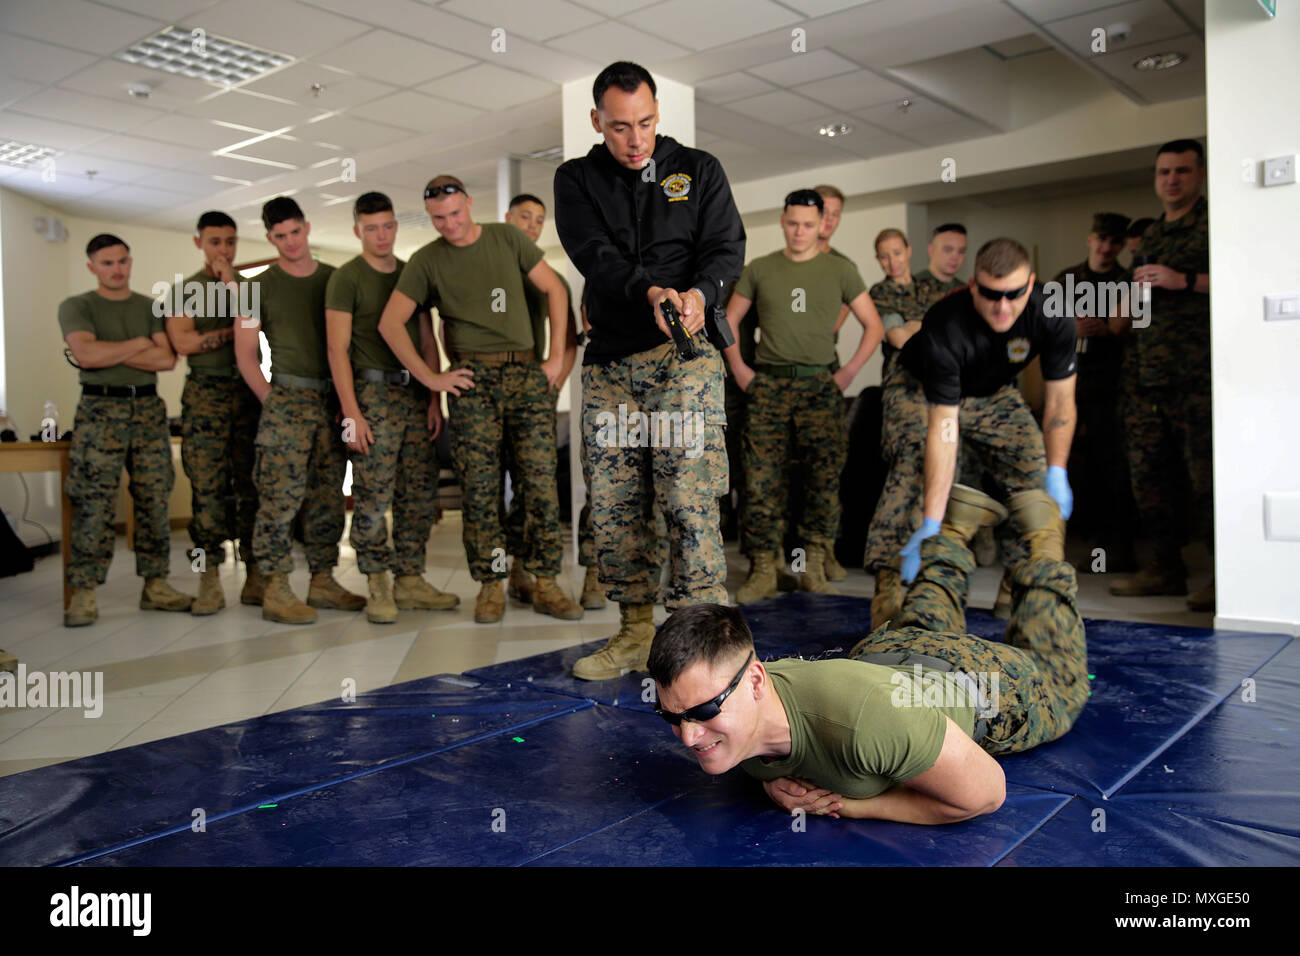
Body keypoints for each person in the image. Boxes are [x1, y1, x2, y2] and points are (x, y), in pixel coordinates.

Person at [648, 481, 1086, 823]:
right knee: (924, 616)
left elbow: (987, 794)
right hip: (889, 653)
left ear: (757, 681)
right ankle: (954, 531)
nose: (688, 736)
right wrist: (771, 784)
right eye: (673, 717)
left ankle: (1044, 539)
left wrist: (847, 805)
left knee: (1059, 676)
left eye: (705, 712)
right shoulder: (739, 701)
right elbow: (764, 740)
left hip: (973, 681)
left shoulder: (865, 724)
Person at [553, 60, 745, 680]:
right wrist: (649, 290)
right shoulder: (576, 179)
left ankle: (705, 646)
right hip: (610, 364)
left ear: (659, 114)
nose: (635, 140)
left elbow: (725, 247)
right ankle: (637, 631)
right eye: (619, 128)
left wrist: (700, 293)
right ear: (596, 122)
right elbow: (594, 255)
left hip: (684, 358)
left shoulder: (699, 169)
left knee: (689, 498)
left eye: (646, 123)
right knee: (613, 503)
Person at [376, 174, 582, 625]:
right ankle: (491, 584)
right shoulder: (426, 261)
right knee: (481, 490)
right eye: (437, 218)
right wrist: (432, 377)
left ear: (470, 203)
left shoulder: (507, 238)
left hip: (525, 373)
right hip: (472, 381)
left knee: (540, 483)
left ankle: (543, 579)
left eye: (454, 213)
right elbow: (391, 324)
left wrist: (552, 359)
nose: (448, 224)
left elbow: (554, 289)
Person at [723, 188, 883, 602]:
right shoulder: (760, 269)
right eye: (792, 223)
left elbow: (874, 326)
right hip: (769, 386)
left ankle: (812, 564)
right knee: (760, 480)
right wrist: (741, 370)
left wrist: (848, 372)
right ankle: (764, 567)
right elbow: (727, 321)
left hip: (819, 386)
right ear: (782, 221)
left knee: (822, 480)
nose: (799, 231)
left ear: (822, 224)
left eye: (808, 225)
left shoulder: (840, 270)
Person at [896, 238, 1077, 600]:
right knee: (911, 473)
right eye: (992, 295)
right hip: (921, 388)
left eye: (1014, 294)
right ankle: (913, 593)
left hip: (993, 391)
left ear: (1031, 283)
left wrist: (1057, 469)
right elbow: (944, 428)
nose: (1003, 308)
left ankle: (1023, 586)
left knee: (1032, 468)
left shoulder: (1053, 312)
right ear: (973, 286)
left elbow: (1060, 401)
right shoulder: (945, 325)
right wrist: (932, 521)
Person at [324, 191, 462, 624]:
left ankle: (409, 577)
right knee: (371, 493)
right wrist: (351, 412)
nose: (381, 235)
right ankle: (377, 580)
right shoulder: (347, 278)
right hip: (370, 395)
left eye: (387, 226)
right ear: (356, 231)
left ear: (396, 226)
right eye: (371, 229)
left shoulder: (410, 272)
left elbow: (425, 338)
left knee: (418, 493)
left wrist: (434, 399)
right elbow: (336, 348)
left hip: (413, 394)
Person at [235, 197, 366, 625]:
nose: (290, 242)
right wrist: (273, 401)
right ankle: (273, 586)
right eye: (279, 236)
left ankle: (323, 580)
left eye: (295, 232)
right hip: (287, 398)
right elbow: (246, 356)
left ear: (307, 228)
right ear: (270, 238)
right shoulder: (257, 288)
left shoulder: (335, 279)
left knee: (328, 496)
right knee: (278, 498)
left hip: (332, 398)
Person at [60, 234, 192, 626]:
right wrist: (138, 345)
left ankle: (156, 585)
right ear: (92, 267)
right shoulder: (78, 306)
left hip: (148, 407)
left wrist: (110, 349)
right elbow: (85, 354)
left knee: (154, 496)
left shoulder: (150, 307)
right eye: (107, 263)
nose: (116, 269)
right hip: (100, 407)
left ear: (130, 262)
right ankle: (83, 592)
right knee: (94, 499)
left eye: (122, 261)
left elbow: (167, 360)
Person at [1110, 139, 1213, 611]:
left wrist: (1184, 281)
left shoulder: (1217, 222)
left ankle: (1223, 575)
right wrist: (1124, 311)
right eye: (1164, 172)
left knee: (1205, 480)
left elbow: (1246, 277)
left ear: (1200, 174)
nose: (1171, 180)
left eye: (1182, 171)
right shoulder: (1149, 237)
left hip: (1196, 377)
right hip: (1144, 377)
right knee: (1149, 478)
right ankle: (1162, 570)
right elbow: (1140, 302)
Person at [861, 227, 969, 628]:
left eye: (897, 253)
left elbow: (955, 335)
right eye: (883, 256)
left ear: (910, 251)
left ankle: (934, 584)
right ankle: (887, 581)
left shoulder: (938, 286)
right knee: (909, 467)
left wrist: (923, 324)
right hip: (905, 392)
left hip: (947, 391)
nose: (892, 262)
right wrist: (932, 327)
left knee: (948, 476)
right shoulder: (883, 292)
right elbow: (902, 337)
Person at [165, 211, 262, 615]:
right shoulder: (183, 291)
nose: (223, 249)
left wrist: (230, 286)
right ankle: (209, 578)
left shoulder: (248, 288)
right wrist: (232, 330)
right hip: (205, 395)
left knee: (251, 485)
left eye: (230, 241)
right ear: (199, 243)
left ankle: (256, 573)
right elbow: (184, 343)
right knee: (206, 489)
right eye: (215, 242)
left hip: (247, 391)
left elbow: (261, 326)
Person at [497, 192, 584, 608]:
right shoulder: (493, 269)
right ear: (507, 218)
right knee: (494, 487)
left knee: (537, 488)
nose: (531, 226)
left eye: (538, 220)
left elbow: (568, 343)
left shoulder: (551, 276)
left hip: (536, 393)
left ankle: (535, 573)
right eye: (524, 217)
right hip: (489, 395)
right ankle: (509, 572)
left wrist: (554, 378)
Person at [1051, 212, 1137, 573]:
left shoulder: (1127, 280)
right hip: (1069, 382)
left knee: (1111, 465)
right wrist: (1073, 328)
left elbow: (1139, 330)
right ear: (1089, 239)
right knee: (1060, 461)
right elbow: (1046, 327)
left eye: (1114, 242)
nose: (1106, 247)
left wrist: (1107, 328)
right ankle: (1054, 544)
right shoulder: (1067, 279)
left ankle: (1111, 549)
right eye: (1101, 239)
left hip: (1112, 383)